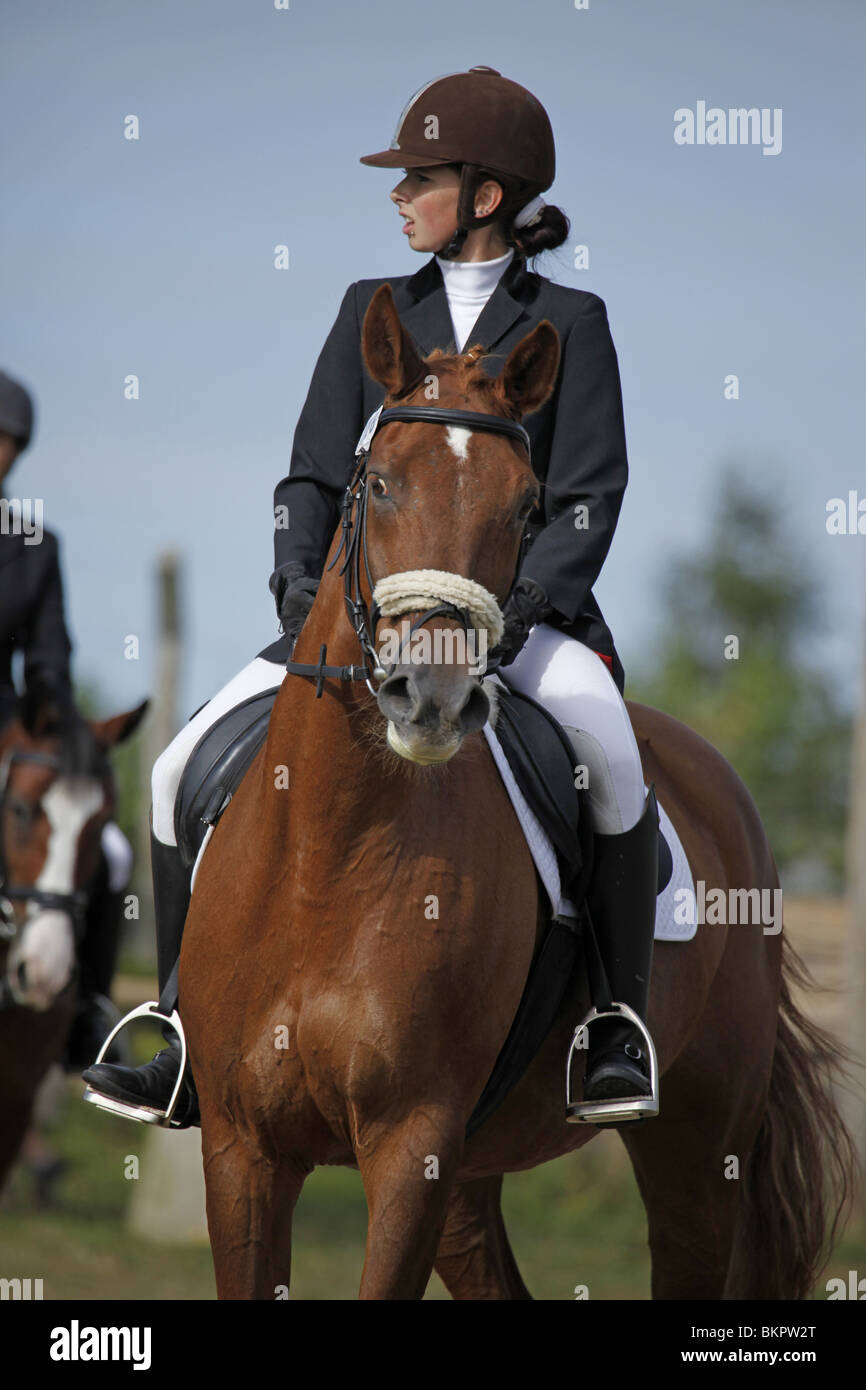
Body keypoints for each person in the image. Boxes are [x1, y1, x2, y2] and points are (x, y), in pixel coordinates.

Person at [83, 67, 659, 1128]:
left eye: (419, 179)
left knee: (611, 758)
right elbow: (309, 474)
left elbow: (589, 497)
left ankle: (616, 1023)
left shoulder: (571, 321)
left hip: (519, 625)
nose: (398, 196)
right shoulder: (373, 309)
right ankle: (175, 1025)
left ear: (485, 195)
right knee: (170, 769)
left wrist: (517, 613)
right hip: (360, 620)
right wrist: (300, 586)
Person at [0, 369, 133, 1066]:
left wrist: (52, 717)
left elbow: (50, 656)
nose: (1, 455)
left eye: (11, 444)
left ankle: (90, 1013)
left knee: (112, 852)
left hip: (10, 730)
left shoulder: (32, 546)